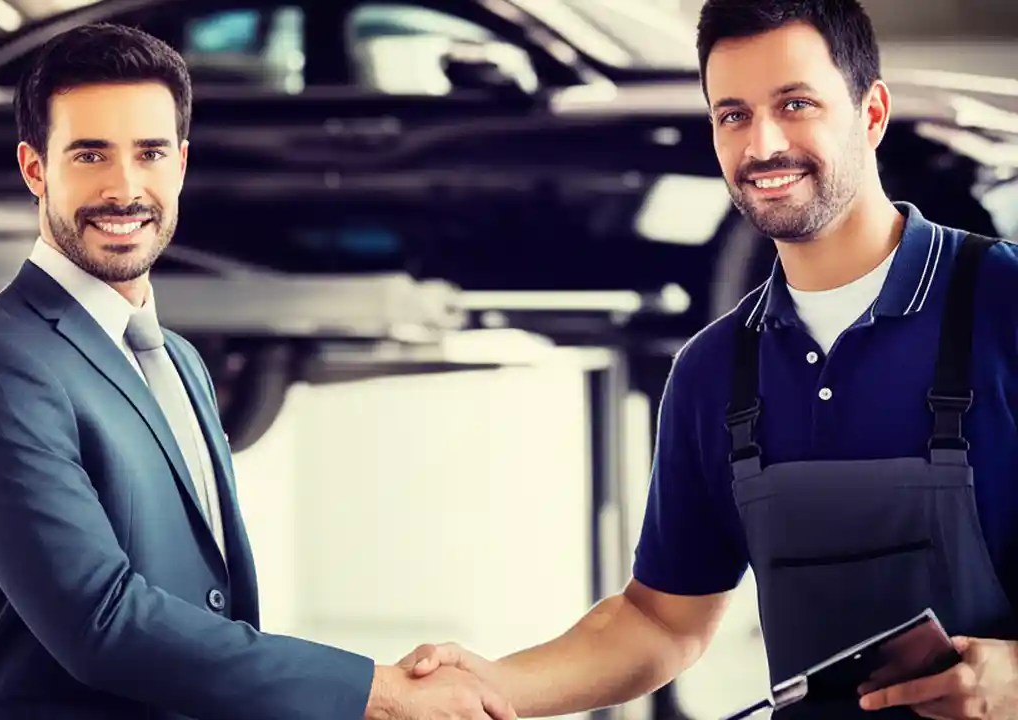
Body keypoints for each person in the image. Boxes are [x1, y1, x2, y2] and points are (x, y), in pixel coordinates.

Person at [400, 1, 1018, 718]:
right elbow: (661, 621)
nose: (763, 145)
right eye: (733, 115)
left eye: (796, 104)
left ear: (872, 113)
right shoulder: (713, 373)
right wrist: (489, 687)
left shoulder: (1003, 304)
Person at [0, 22, 515, 720]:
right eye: (90, 155)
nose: (125, 187)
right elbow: (102, 622)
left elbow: (209, 607)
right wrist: (375, 694)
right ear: (34, 169)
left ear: (181, 165)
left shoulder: (181, 361)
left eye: (150, 153)